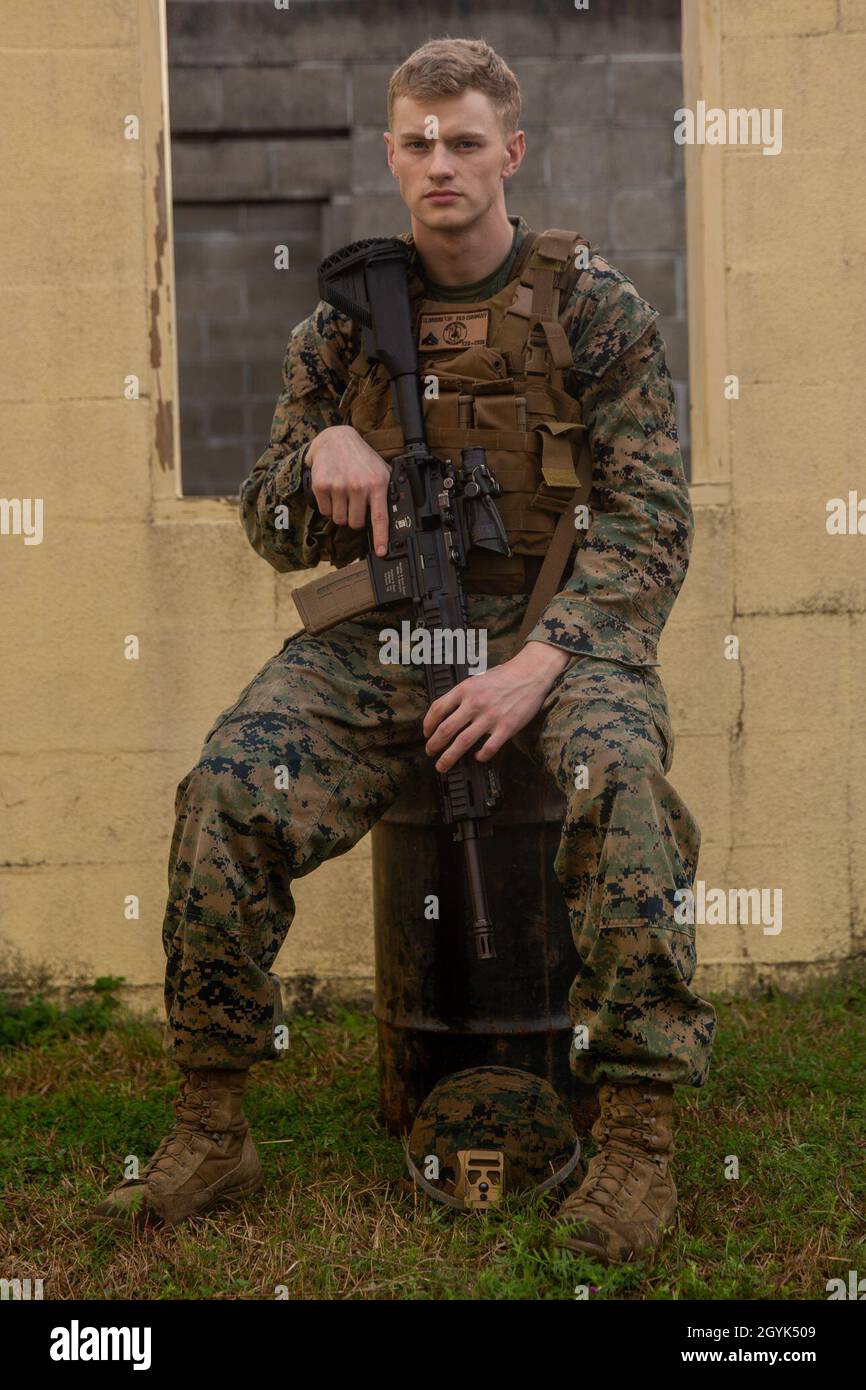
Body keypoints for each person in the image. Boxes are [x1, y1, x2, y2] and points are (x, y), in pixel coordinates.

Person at [93, 36, 716, 1265]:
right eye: (418, 142)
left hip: (556, 641)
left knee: (625, 791)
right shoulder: (338, 329)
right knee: (226, 788)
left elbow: (651, 517)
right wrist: (315, 462)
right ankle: (214, 1119)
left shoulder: (593, 306)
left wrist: (547, 658)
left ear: (510, 152)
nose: (441, 163)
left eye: (465, 141)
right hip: (387, 636)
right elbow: (271, 528)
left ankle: (637, 1143)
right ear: (391, 154)